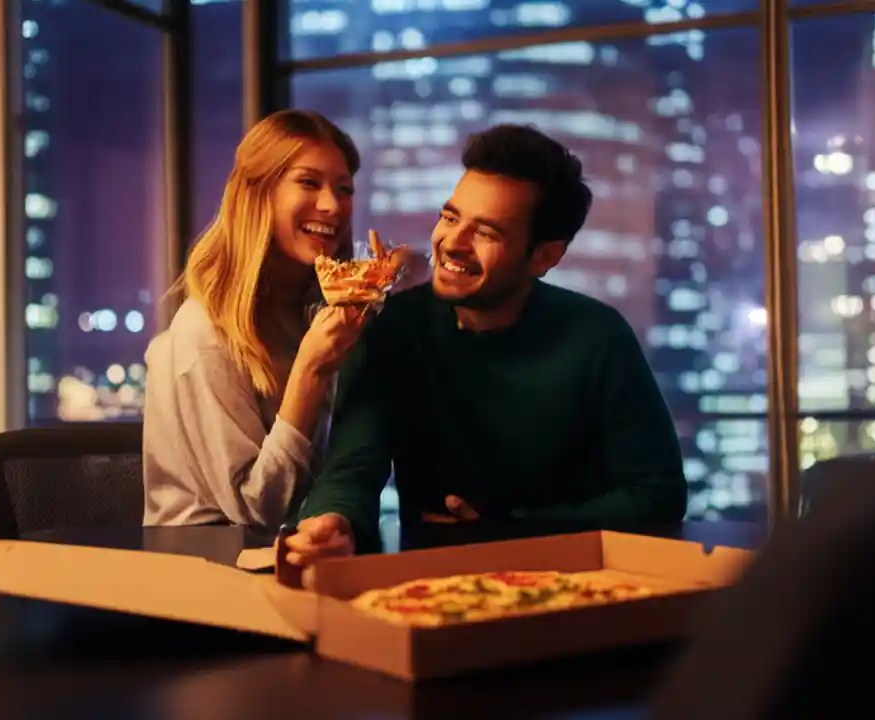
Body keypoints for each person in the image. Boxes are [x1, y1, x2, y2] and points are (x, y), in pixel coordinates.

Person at [283, 124, 687, 566]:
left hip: (580, 579)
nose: (451, 243)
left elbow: (658, 494)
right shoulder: (396, 329)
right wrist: (332, 522)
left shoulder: (598, 335)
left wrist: (512, 525)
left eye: (487, 232)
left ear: (545, 256)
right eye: (451, 217)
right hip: (438, 586)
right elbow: (350, 469)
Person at [142, 109, 370, 530]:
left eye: (344, 189)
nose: (332, 205)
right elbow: (255, 512)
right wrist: (311, 371)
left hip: (300, 551)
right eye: (308, 182)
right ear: (258, 192)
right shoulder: (204, 333)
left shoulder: (315, 315)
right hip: (203, 567)